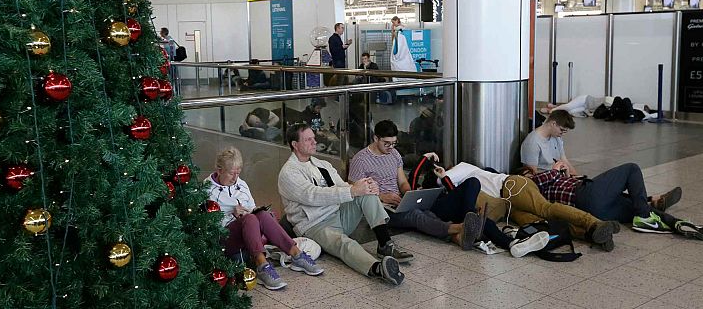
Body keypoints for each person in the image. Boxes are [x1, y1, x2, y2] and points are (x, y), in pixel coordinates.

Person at [350, 121, 549, 257]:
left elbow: (402, 181)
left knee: (461, 190)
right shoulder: (361, 159)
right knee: (418, 216)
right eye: (386, 143)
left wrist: (409, 193)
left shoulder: (394, 155)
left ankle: (504, 241)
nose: (390, 147)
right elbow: (353, 188)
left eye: (394, 143)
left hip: (402, 201)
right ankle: (463, 228)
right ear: (375, 138)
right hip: (381, 207)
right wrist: (383, 196)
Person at [278, 124, 413, 286]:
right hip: (314, 225)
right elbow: (312, 195)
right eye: (308, 139)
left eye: (314, 138)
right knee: (345, 244)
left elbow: (342, 186)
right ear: (295, 144)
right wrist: (353, 191)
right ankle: (377, 268)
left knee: (367, 195)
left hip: (338, 214)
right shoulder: (289, 172)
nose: (314, 142)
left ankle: (385, 244)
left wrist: (366, 187)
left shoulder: (322, 164)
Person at [205, 147, 324, 290]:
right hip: (224, 238)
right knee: (250, 219)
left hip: (248, 232)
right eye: (231, 173)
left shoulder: (241, 185)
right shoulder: (207, 190)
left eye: (238, 173)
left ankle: (296, 254)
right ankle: (262, 265)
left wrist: (252, 211)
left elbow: (252, 209)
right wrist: (233, 215)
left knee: (261, 215)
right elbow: (206, 225)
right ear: (219, 170)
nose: (235, 178)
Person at [433, 161, 619, 251]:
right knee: (541, 222)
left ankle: (594, 223)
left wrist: (441, 176)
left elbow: (444, 182)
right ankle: (589, 235)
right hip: (508, 206)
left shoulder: (461, 168)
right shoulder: (459, 185)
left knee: (545, 208)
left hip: (511, 186)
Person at [522, 162, 683, 234]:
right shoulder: (528, 184)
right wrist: (555, 170)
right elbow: (534, 180)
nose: (534, 172)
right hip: (584, 195)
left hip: (595, 210)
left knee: (633, 206)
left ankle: (674, 222)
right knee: (631, 169)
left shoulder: (548, 182)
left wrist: (565, 175)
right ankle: (645, 214)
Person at [389, 16, 416, 81]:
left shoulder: (402, 28)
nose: (393, 24)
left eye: (393, 22)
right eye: (392, 23)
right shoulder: (395, 29)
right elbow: (393, 38)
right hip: (399, 48)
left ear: (397, 20)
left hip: (403, 48)